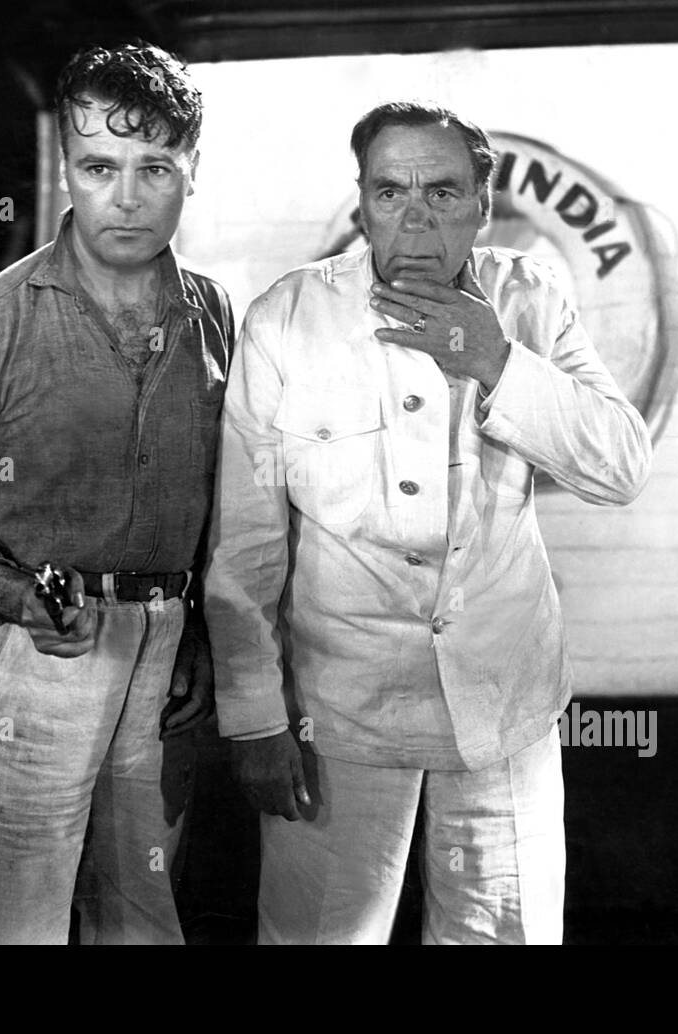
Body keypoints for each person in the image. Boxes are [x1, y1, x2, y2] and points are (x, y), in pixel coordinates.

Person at [204, 101, 652, 944]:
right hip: (341, 707)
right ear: (363, 202)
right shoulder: (287, 320)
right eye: (389, 191)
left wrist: (494, 358)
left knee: (501, 934)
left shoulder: (529, 298)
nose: (413, 218)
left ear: (484, 205)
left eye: (442, 193)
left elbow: (621, 467)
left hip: (502, 704)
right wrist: (257, 720)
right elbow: (245, 545)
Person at [0, 42, 233, 944]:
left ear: (194, 169)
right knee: (3, 927)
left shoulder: (216, 314)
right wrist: (17, 598)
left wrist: (196, 638)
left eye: (157, 168)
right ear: (65, 166)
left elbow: (219, 501)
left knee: (143, 922)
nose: (128, 196)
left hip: (162, 654)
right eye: (99, 167)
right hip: (24, 660)